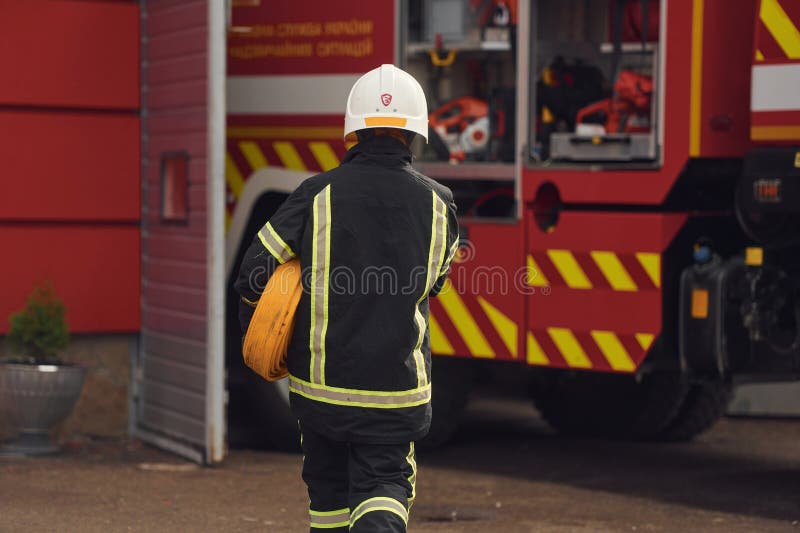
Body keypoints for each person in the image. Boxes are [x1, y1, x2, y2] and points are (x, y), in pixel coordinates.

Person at [235, 64, 459, 533]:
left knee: (329, 497)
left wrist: (264, 340)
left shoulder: (314, 195)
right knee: (385, 485)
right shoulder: (440, 205)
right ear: (415, 133)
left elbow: (253, 274)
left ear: (353, 132)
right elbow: (433, 285)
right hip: (397, 396)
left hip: (320, 394)